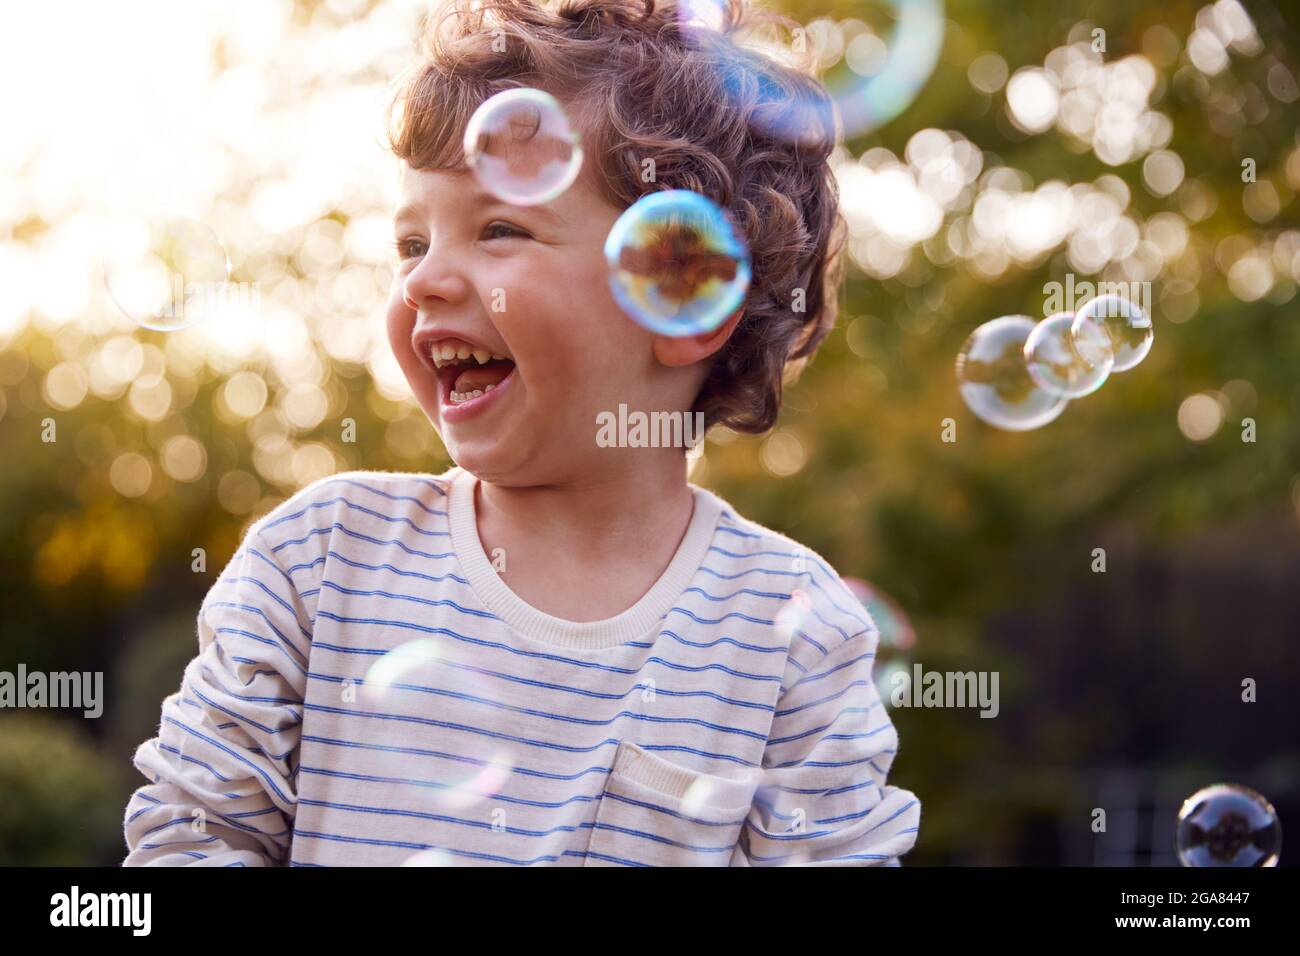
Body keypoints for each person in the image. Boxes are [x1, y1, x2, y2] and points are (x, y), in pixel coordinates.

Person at [123, 0, 920, 867]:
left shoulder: (790, 633)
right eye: (410, 242)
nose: (424, 279)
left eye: (499, 228)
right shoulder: (317, 563)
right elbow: (190, 836)